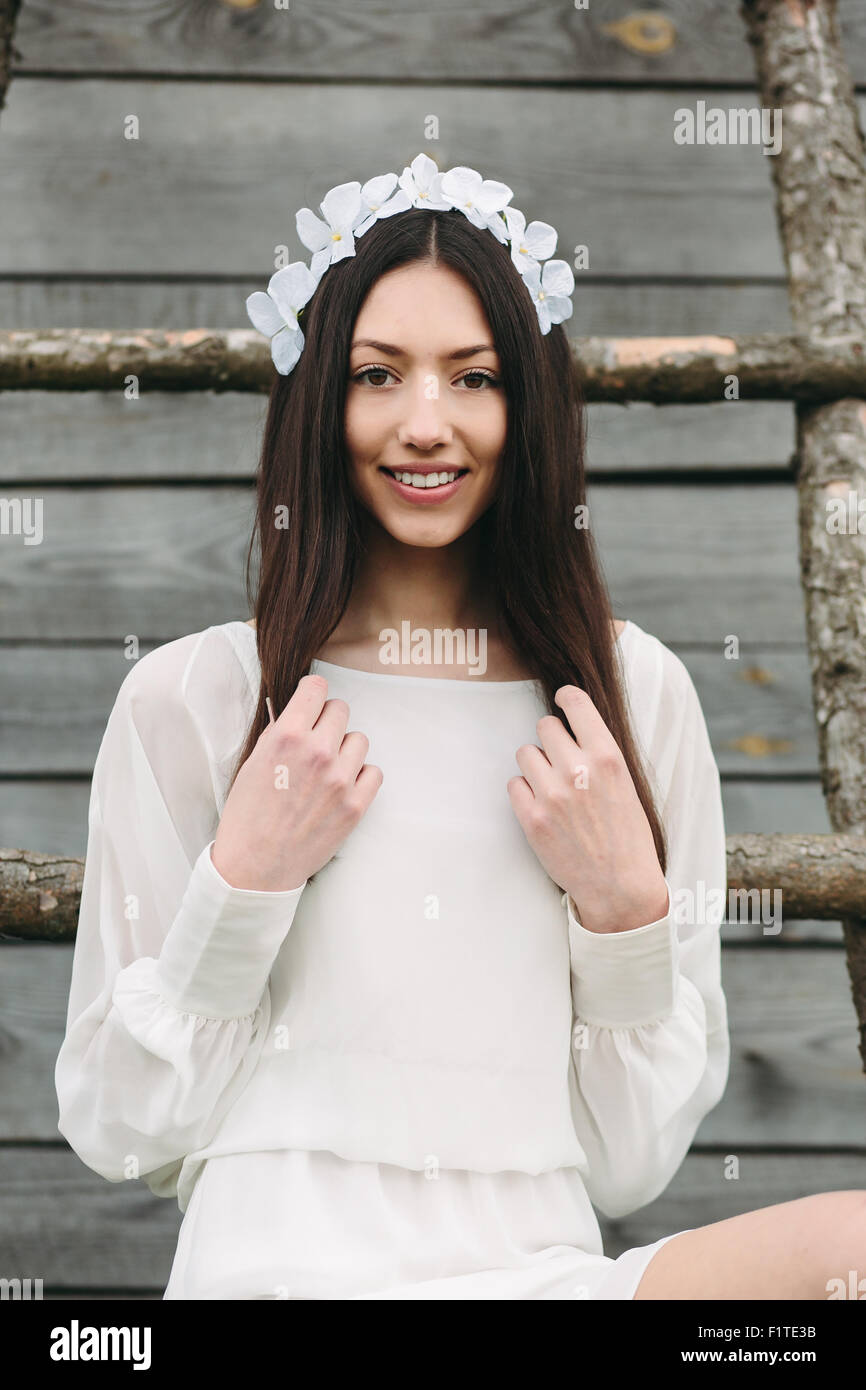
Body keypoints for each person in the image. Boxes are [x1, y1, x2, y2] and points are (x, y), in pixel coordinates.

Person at [55, 154, 865, 1300]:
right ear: (319, 404)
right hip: (273, 1266)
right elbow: (120, 1129)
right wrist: (243, 882)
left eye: (471, 377)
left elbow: (630, 1161)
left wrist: (624, 914)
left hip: (536, 1272)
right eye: (376, 374)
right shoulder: (196, 697)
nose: (424, 423)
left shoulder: (627, 700)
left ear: (526, 405)